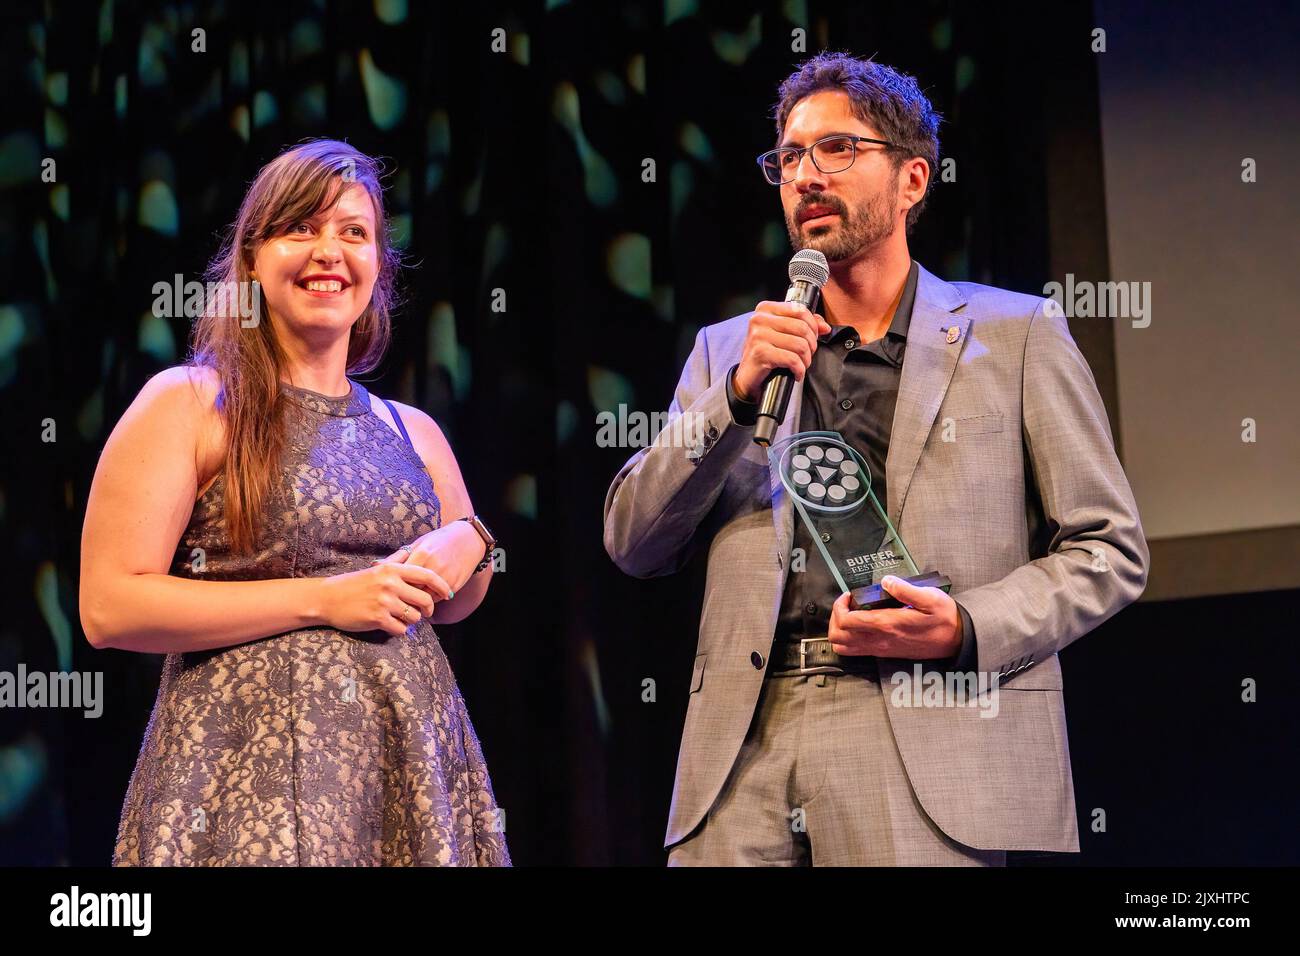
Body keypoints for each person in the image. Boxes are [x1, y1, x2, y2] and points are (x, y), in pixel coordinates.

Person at [603, 53, 1149, 866]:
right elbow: (633, 540)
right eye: (789, 158)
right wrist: (734, 395)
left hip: (917, 721)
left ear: (913, 179)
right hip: (743, 742)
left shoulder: (1018, 333)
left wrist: (967, 626)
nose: (806, 176)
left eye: (837, 150)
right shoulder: (731, 351)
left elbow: (1110, 551)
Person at [80, 139, 509, 866]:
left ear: (378, 265)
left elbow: (460, 598)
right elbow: (108, 606)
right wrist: (325, 600)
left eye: (353, 232)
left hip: (404, 765)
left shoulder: (414, 431)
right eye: (299, 228)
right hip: (242, 777)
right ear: (252, 257)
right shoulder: (191, 402)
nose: (328, 251)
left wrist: (473, 541)